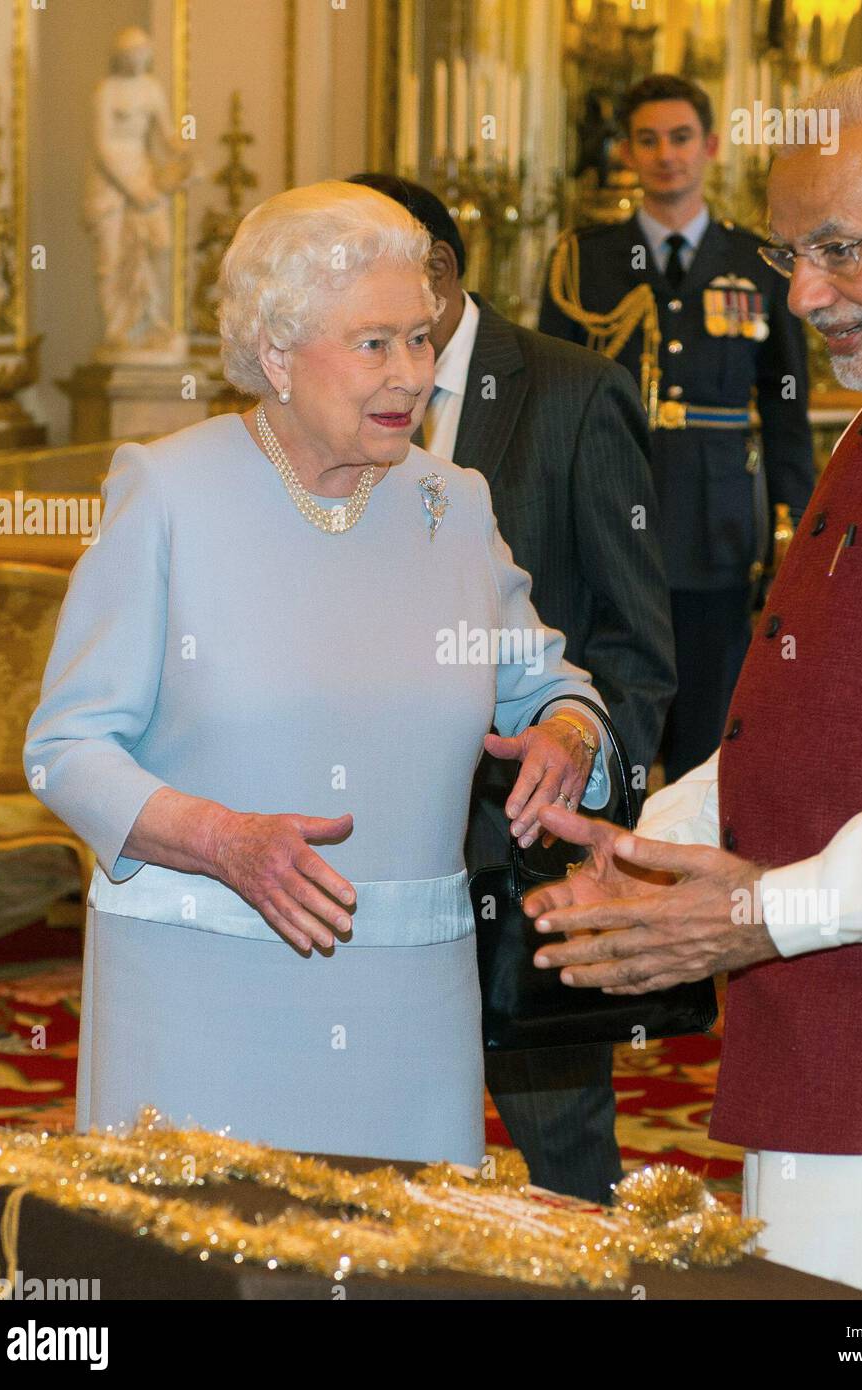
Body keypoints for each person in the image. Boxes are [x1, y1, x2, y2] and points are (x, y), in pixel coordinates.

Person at [524, 59, 862, 1298]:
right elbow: (824, 702)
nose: (803, 294)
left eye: (839, 250)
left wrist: (772, 910)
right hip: (829, 1042)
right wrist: (654, 846)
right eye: (788, 252)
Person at [23, 181, 612, 1167]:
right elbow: (66, 748)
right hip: (199, 1001)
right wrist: (219, 837)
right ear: (277, 356)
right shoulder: (169, 491)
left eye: (421, 339)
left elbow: (553, 685)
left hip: (409, 1016)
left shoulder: (451, 505)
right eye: (373, 343)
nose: (412, 374)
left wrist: (566, 736)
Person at [348, 173, 676, 1204]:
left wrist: (581, 781)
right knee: (370, 1133)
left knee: (560, 1139)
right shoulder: (318, 406)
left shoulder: (573, 392)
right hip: (364, 844)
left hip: (525, 837)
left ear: (437, 276)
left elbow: (635, 644)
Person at [539, 73, 814, 782]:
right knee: (608, 709)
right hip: (606, 519)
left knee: (706, 730)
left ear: (711, 146)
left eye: (682, 137)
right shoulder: (583, 259)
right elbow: (551, 403)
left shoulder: (758, 262)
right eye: (649, 140)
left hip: (717, 522)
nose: (667, 155)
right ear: (626, 151)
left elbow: (785, 409)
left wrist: (795, 524)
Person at [84, 26, 194, 354]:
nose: (136, 61)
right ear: (120, 56)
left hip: (143, 175)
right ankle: (118, 330)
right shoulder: (105, 91)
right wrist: (131, 189)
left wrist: (183, 153)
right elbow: (101, 146)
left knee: (156, 246)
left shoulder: (151, 89)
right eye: (130, 55)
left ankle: (150, 322)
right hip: (110, 181)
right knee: (112, 257)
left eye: (141, 54)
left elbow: (166, 133)